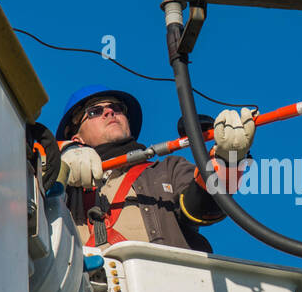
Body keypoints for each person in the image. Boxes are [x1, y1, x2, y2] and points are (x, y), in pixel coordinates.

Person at [53, 85, 256, 253]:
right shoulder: (61, 186)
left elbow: (204, 208)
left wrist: (228, 161)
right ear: (76, 138)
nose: (110, 111)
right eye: (95, 111)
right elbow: (26, 158)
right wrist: (62, 153)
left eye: (117, 107)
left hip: (163, 291)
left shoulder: (166, 170)